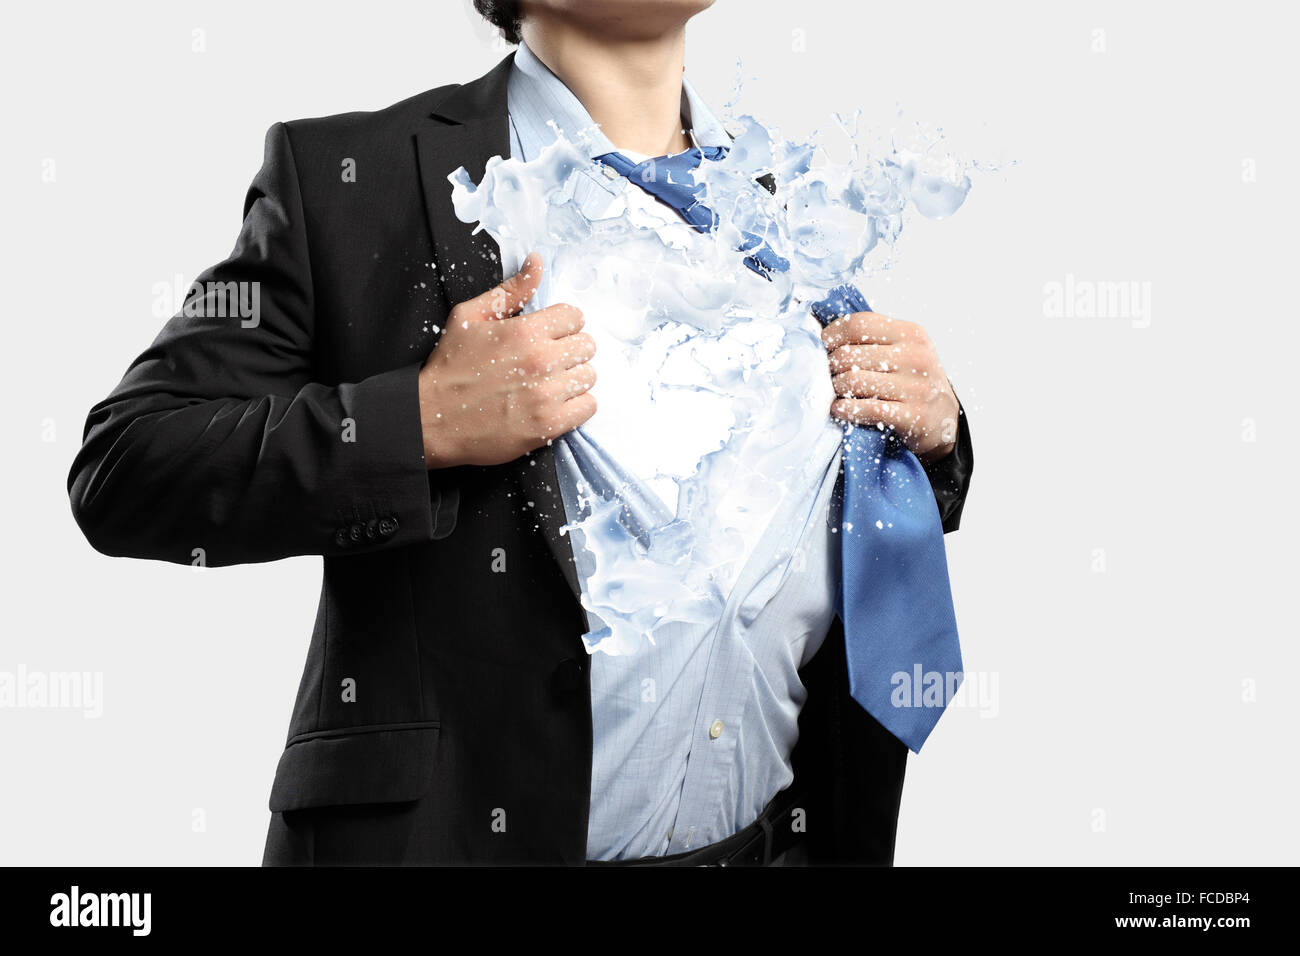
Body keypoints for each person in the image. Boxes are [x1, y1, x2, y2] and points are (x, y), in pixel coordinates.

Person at [68, 0, 973, 865]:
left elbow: (824, 509)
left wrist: (934, 436)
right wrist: (418, 423)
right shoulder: (350, 178)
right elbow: (126, 464)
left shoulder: (782, 209)